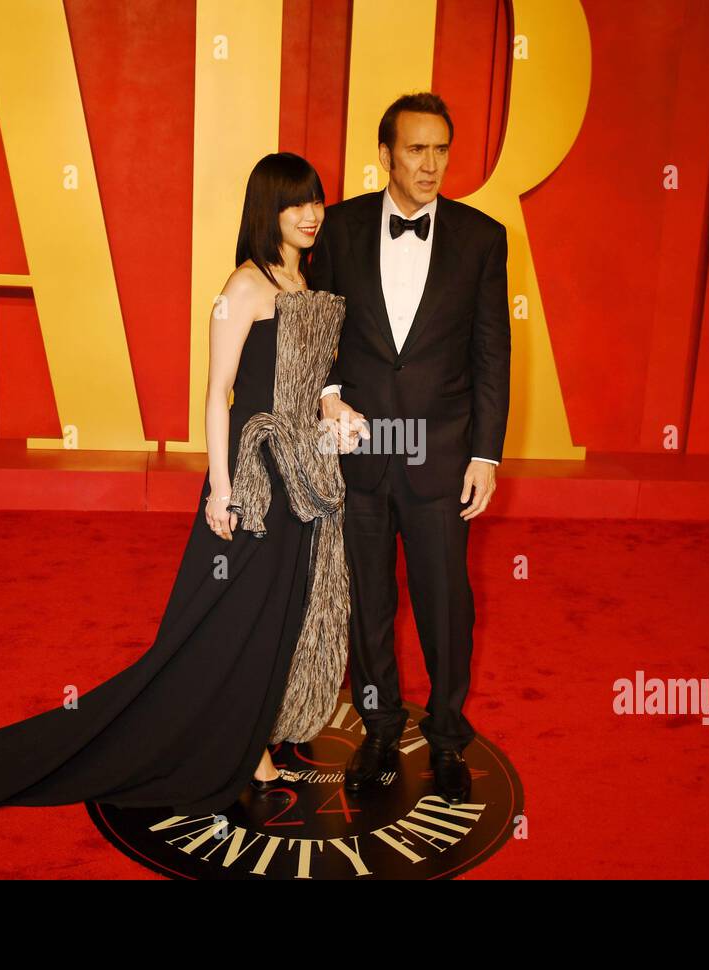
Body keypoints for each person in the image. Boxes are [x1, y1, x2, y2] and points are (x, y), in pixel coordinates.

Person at [0, 152, 353, 823]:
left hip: (304, 476)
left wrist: (337, 413)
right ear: (266, 209)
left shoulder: (310, 278)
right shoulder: (243, 287)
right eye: (296, 202)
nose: (309, 215)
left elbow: (314, 379)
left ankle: (256, 739)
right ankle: (217, 746)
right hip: (255, 476)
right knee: (223, 620)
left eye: (317, 201)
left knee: (278, 614)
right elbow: (218, 395)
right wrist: (220, 490)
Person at [307, 92, 511, 804]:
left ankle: (451, 735)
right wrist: (328, 394)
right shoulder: (337, 229)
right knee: (367, 601)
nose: (431, 165)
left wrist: (486, 453)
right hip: (360, 451)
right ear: (387, 152)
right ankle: (381, 727)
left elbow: (492, 353)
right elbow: (319, 330)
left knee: (445, 602)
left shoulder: (482, 239)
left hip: (439, 453)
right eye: (417, 149)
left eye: (442, 149)